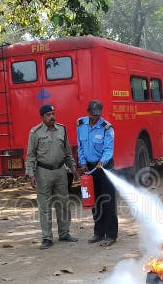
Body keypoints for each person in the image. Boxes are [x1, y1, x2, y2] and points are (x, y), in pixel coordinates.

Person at [25, 104, 78, 249]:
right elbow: (30, 156)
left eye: (53, 114)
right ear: (42, 117)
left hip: (61, 171)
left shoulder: (62, 129)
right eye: (48, 114)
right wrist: (31, 174)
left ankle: (64, 233)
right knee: (45, 206)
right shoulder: (35, 133)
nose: (52, 117)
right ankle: (47, 237)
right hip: (43, 172)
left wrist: (73, 169)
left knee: (63, 203)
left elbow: (67, 153)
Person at [76, 99, 118, 247]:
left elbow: (108, 149)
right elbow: (80, 146)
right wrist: (82, 163)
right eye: (93, 115)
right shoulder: (81, 124)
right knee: (95, 202)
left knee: (108, 201)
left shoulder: (107, 127)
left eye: (98, 115)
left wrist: (103, 161)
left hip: (104, 167)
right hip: (89, 168)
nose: (96, 117)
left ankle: (111, 235)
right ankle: (98, 233)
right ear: (88, 112)